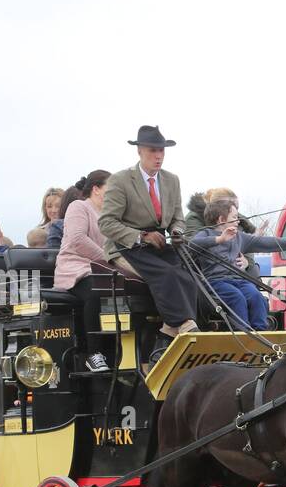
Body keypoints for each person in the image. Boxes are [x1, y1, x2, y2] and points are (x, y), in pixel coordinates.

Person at [97, 125, 202, 363]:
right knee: (165, 273)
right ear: (140, 151)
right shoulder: (120, 180)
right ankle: (185, 325)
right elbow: (106, 223)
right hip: (127, 245)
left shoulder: (171, 180)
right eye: (154, 151)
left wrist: (176, 232)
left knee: (188, 272)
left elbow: (178, 218)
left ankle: (167, 332)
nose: (159, 156)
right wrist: (140, 236)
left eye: (162, 151)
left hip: (159, 244)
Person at [188, 197, 286, 331]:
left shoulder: (239, 237)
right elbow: (192, 244)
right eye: (235, 217)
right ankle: (243, 333)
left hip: (239, 281)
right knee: (236, 297)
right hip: (216, 283)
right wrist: (219, 239)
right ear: (221, 220)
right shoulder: (205, 234)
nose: (238, 221)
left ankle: (261, 332)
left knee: (257, 296)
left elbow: (265, 242)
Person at [53, 170, 114, 373]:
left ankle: (120, 349)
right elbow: (78, 240)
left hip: (103, 268)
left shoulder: (111, 215)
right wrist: (108, 259)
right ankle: (93, 353)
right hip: (75, 267)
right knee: (97, 288)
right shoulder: (78, 207)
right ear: (96, 189)